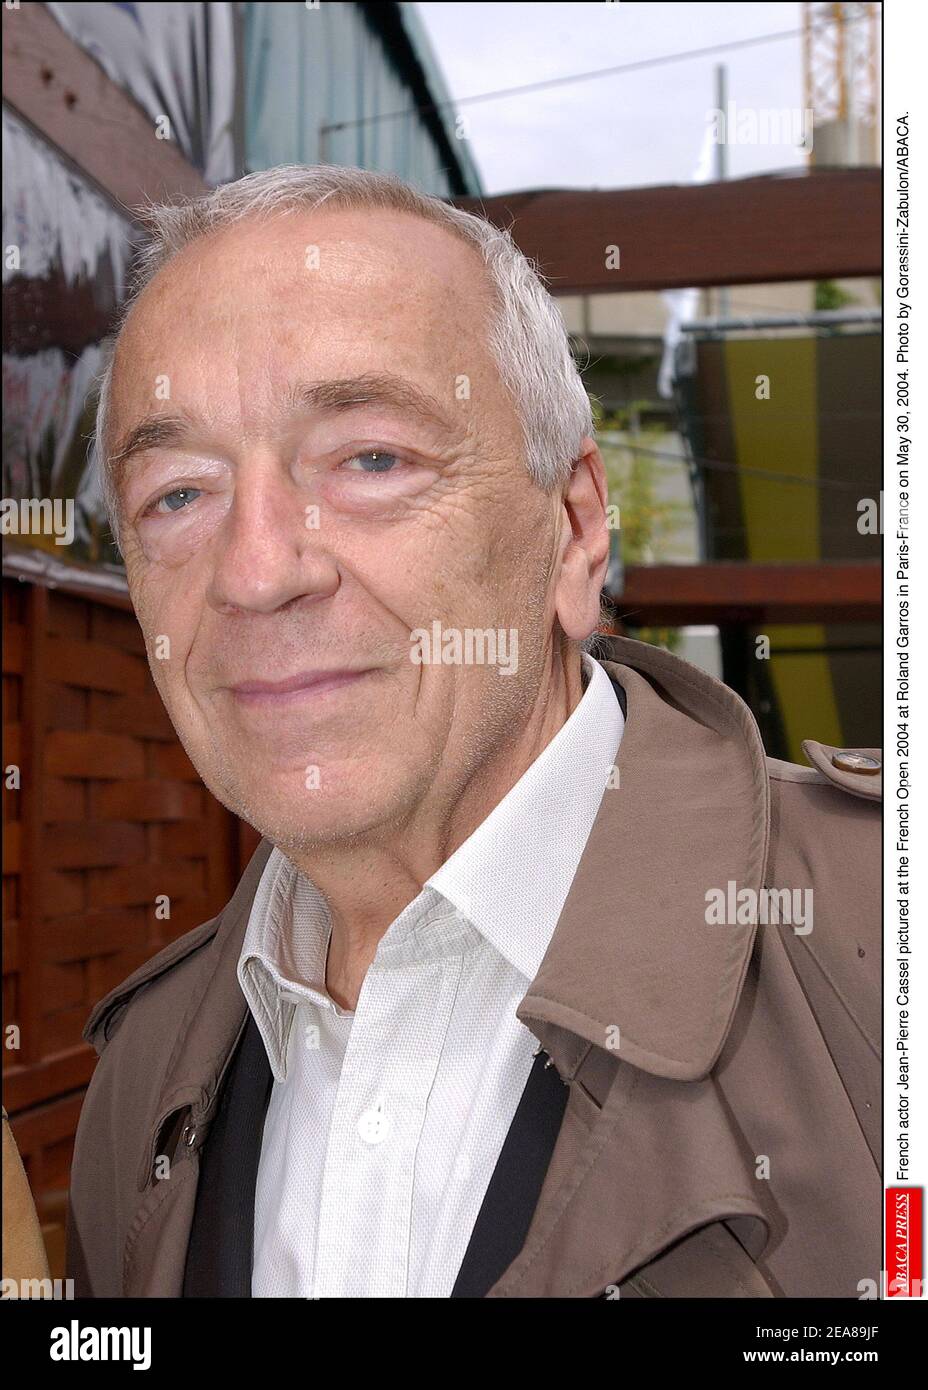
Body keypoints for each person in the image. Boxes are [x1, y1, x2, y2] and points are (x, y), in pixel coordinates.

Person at [66, 165, 880, 1298]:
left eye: (371, 459)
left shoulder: (881, 949)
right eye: (179, 494)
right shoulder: (148, 1071)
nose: (255, 572)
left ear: (572, 528)